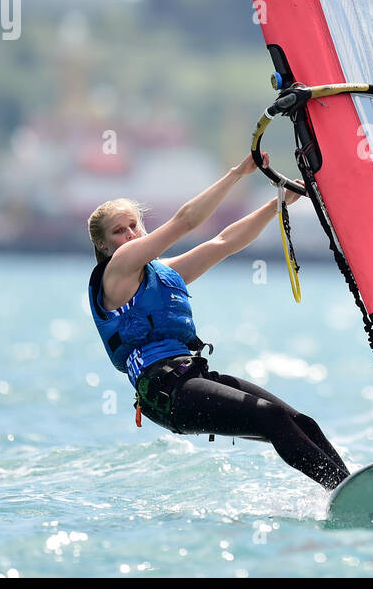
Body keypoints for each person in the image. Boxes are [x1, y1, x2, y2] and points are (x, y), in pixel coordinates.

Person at [86, 153, 350, 490]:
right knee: (270, 417)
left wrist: (277, 204)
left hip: (189, 377)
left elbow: (224, 243)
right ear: (103, 244)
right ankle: (341, 490)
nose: (130, 235)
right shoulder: (118, 270)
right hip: (164, 393)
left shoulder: (160, 275)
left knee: (301, 422)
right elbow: (185, 221)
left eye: (134, 225)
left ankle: (350, 486)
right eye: (119, 231)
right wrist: (238, 173)